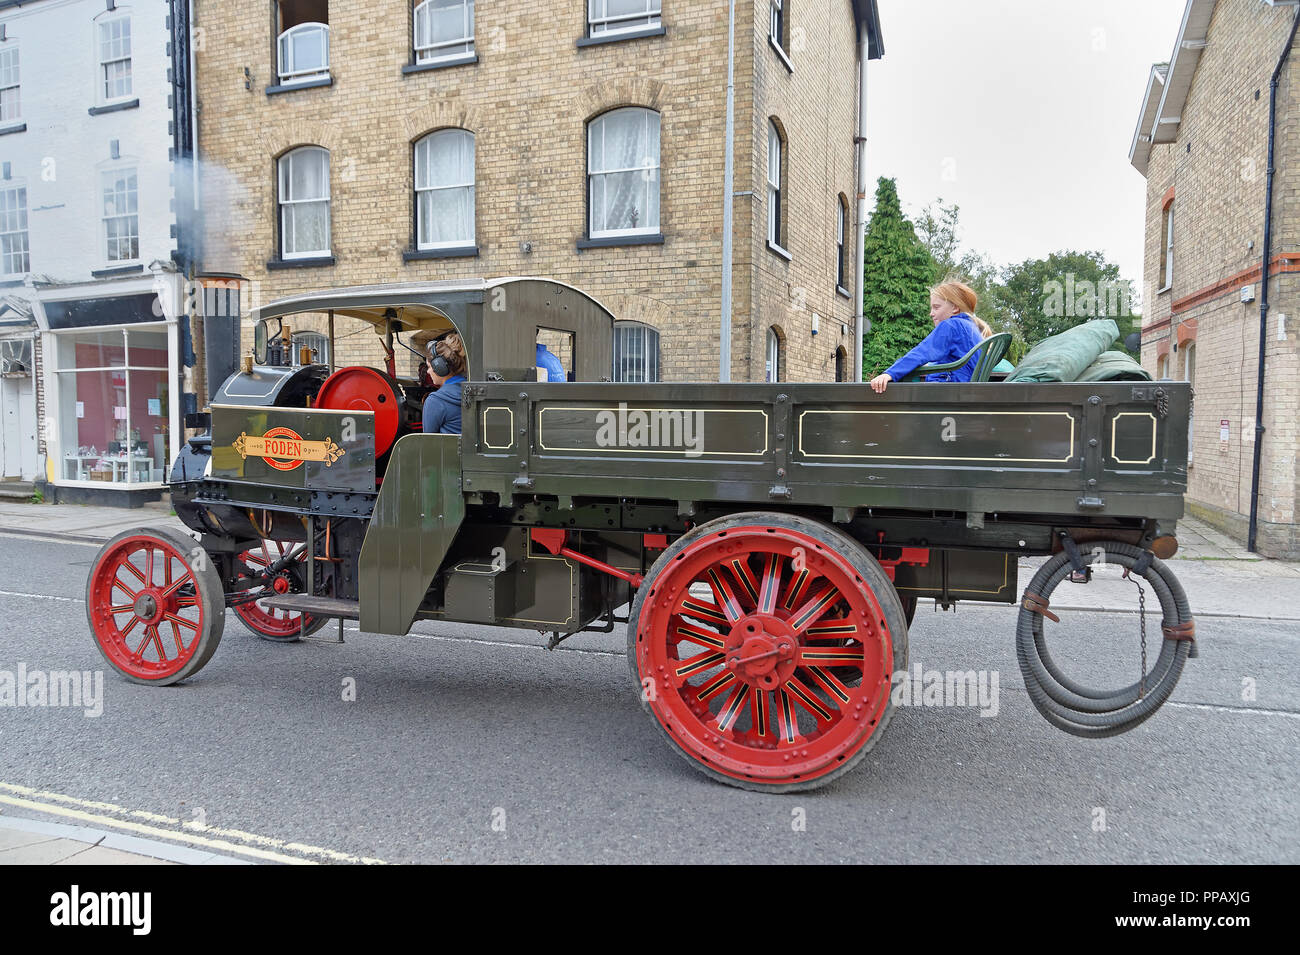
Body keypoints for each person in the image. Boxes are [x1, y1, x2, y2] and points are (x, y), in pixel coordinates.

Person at [869, 281, 993, 393]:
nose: (931, 313)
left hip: (949, 392)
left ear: (955, 308)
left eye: (936, 307)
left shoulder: (952, 325)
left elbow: (922, 352)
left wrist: (889, 373)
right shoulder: (971, 327)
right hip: (966, 391)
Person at [421, 333, 467, 434]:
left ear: (440, 368)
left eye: (429, 367)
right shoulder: (473, 391)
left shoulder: (435, 401)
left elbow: (428, 442)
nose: (428, 372)